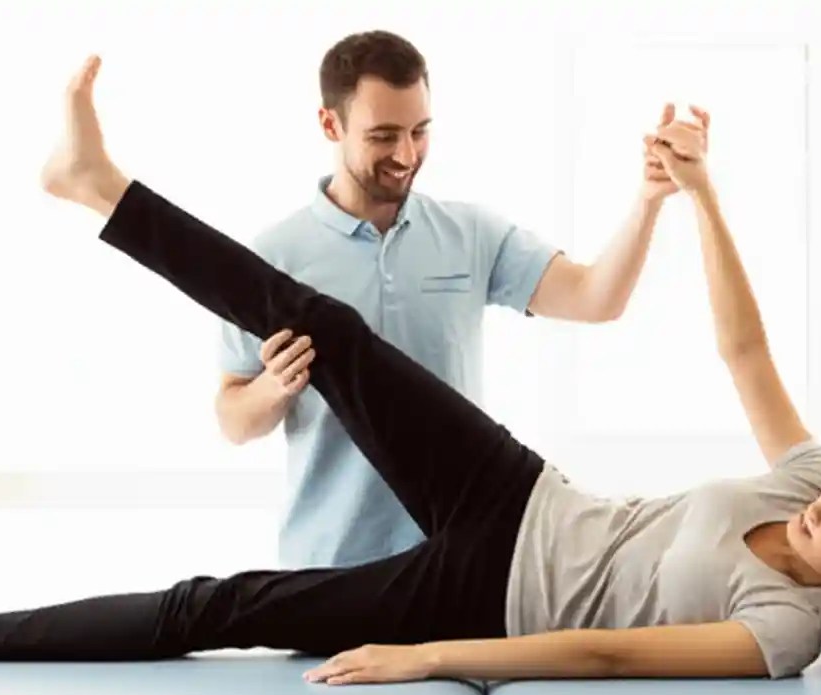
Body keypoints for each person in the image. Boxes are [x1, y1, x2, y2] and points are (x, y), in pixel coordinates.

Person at [0, 56, 821, 686]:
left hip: (486, 593)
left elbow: (606, 652)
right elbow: (743, 349)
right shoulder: (801, 480)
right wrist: (696, 194)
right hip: (518, 492)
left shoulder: (780, 629)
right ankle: (99, 185)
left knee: (227, 608)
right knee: (331, 329)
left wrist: (432, 659)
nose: (819, 503)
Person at [216, 30, 682, 570]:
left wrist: (648, 201)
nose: (406, 155)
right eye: (383, 136)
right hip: (328, 570)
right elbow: (232, 417)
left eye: (420, 131)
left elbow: (596, 297)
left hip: (452, 562)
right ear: (330, 125)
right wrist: (274, 388)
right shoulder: (272, 258)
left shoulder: (470, 234)